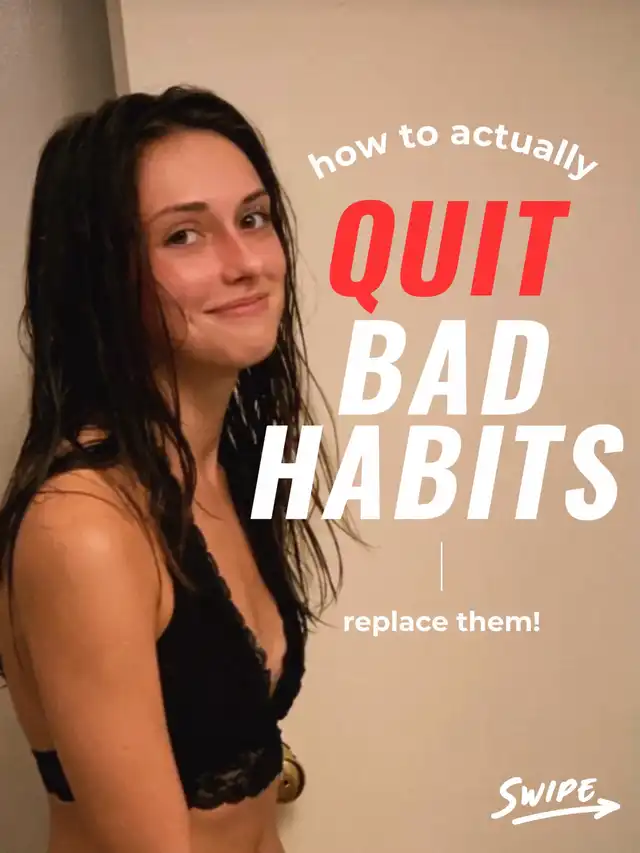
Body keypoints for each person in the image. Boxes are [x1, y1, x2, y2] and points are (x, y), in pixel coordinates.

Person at [0, 85, 355, 853]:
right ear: (100, 274)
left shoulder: (230, 465)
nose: (246, 263)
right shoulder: (84, 528)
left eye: (253, 219)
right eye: (184, 236)